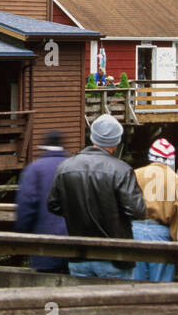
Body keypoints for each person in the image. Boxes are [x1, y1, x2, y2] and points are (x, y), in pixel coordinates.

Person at [47, 114, 147, 279]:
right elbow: (137, 211)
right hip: (115, 257)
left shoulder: (66, 167)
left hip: (79, 255)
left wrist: (76, 212)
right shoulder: (121, 169)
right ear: (115, 143)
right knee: (116, 304)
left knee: (83, 304)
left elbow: (53, 205)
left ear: (92, 137)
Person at [14, 131, 70, 273]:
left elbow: (26, 205)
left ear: (44, 147)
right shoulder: (72, 166)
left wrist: (22, 234)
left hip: (45, 243)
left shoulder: (35, 169)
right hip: (73, 243)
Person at [132, 138, 178, 282]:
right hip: (161, 233)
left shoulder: (135, 174)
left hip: (134, 230)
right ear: (171, 160)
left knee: (132, 283)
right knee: (162, 285)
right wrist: (175, 239)